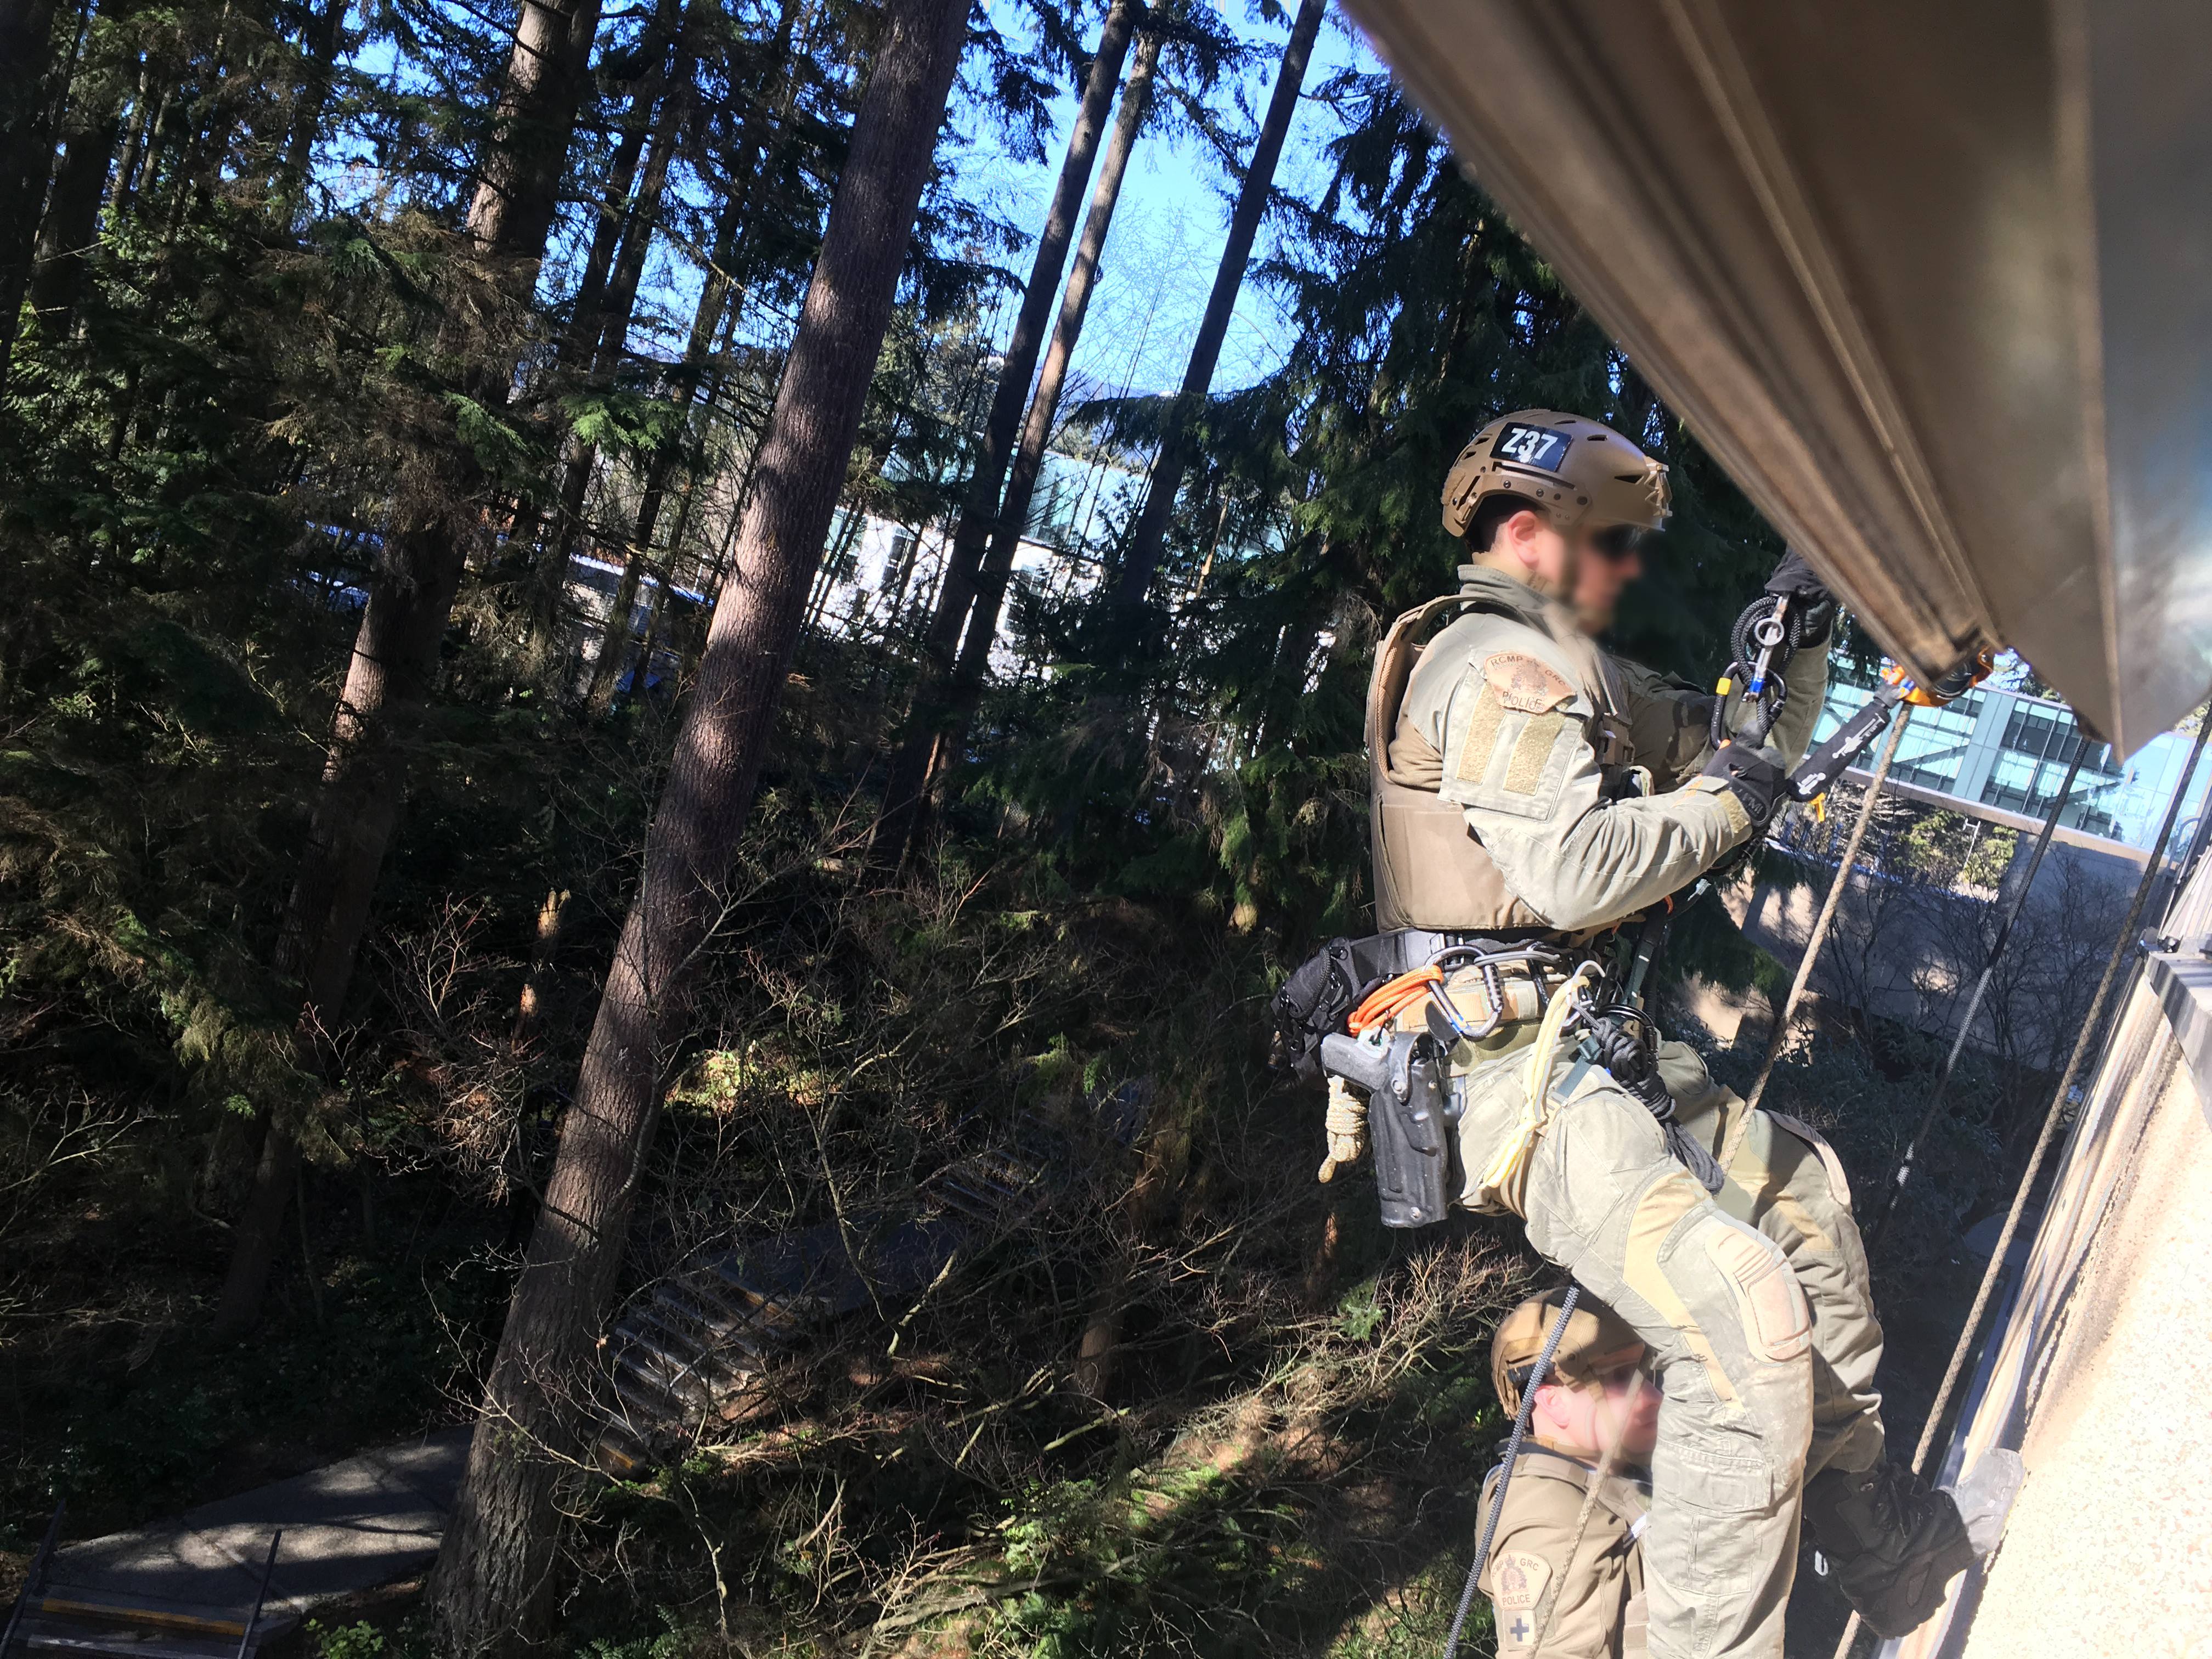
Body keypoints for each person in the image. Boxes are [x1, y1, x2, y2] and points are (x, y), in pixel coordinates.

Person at [1322, 408, 1997, 1658]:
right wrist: (1733, 793)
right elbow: (1578, 874)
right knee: (1741, 1306)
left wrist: (1798, 624)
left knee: (1802, 1206)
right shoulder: (1491, 664)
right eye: (1613, 542)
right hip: (1531, 1091)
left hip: (1604, 1055)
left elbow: (1747, 750)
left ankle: (1881, 1549)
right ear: (1529, 535)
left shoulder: (1577, 668)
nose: (1631, 568)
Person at [1479, 1291, 1659, 1658]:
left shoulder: (1608, 1476)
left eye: (1646, 1373)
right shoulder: (1547, 1520)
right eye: (1622, 1378)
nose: (1653, 1396)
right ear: (1553, 1401)